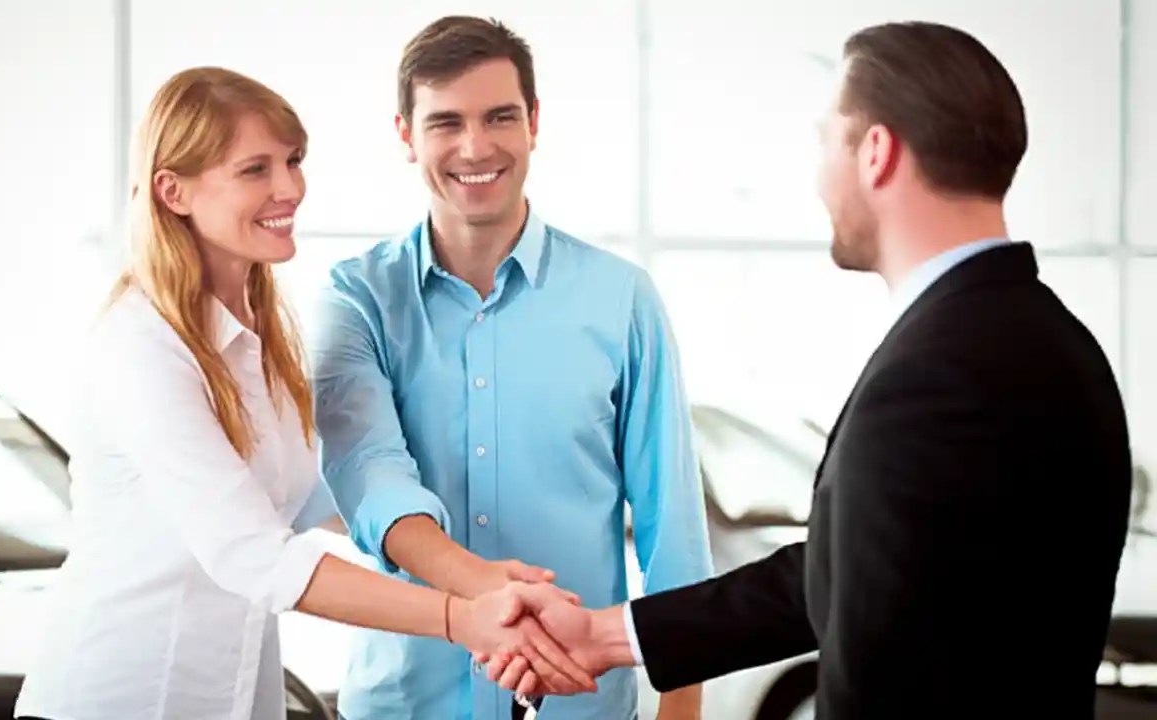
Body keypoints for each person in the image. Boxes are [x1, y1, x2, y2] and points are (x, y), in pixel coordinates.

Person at [481, 20, 1134, 719]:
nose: (819, 176)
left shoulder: (942, 371)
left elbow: (879, 670)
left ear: (876, 152)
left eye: (827, 140)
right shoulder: (1041, 340)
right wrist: (608, 636)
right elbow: (841, 572)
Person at [11, 66, 597, 720]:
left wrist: (481, 574)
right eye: (254, 170)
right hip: (120, 698)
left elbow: (328, 497)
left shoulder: (256, 336)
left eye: (292, 161)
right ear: (173, 191)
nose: (289, 187)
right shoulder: (140, 348)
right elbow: (256, 555)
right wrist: (467, 619)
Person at [308, 15, 714, 720]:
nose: (475, 146)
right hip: (404, 705)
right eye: (445, 122)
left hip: (580, 707)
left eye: (499, 116)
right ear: (405, 134)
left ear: (533, 122)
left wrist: (681, 708)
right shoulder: (357, 299)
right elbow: (370, 478)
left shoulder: (621, 300)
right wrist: (482, 588)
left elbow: (671, 528)